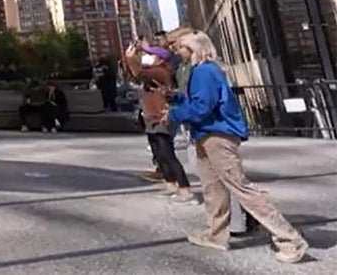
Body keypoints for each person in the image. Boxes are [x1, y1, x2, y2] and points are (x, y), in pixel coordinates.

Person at [160, 32, 308, 264]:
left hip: (217, 135)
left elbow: (202, 108)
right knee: (212, 187)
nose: (177, 51)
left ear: (193, 49)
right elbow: (201, 102)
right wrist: (178, 101)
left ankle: (290, 239)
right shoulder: (204, 71)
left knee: (240, 187)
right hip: (206, 134)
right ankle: (217, 235)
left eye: (181, 47)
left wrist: (174, 113)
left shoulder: (204, 71)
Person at [124, 40, 195, 204]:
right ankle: (170, 184)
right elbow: (135, 74)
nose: (147, 58)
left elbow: (139, 74)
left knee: (168, 154)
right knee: (159, 154)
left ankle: (185, 189)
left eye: (151, 55)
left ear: (161, 59)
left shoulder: (161, 72)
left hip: (161, 116)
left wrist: (131, 57)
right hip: (151, 117)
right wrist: (132, 56)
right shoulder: (152, 71)